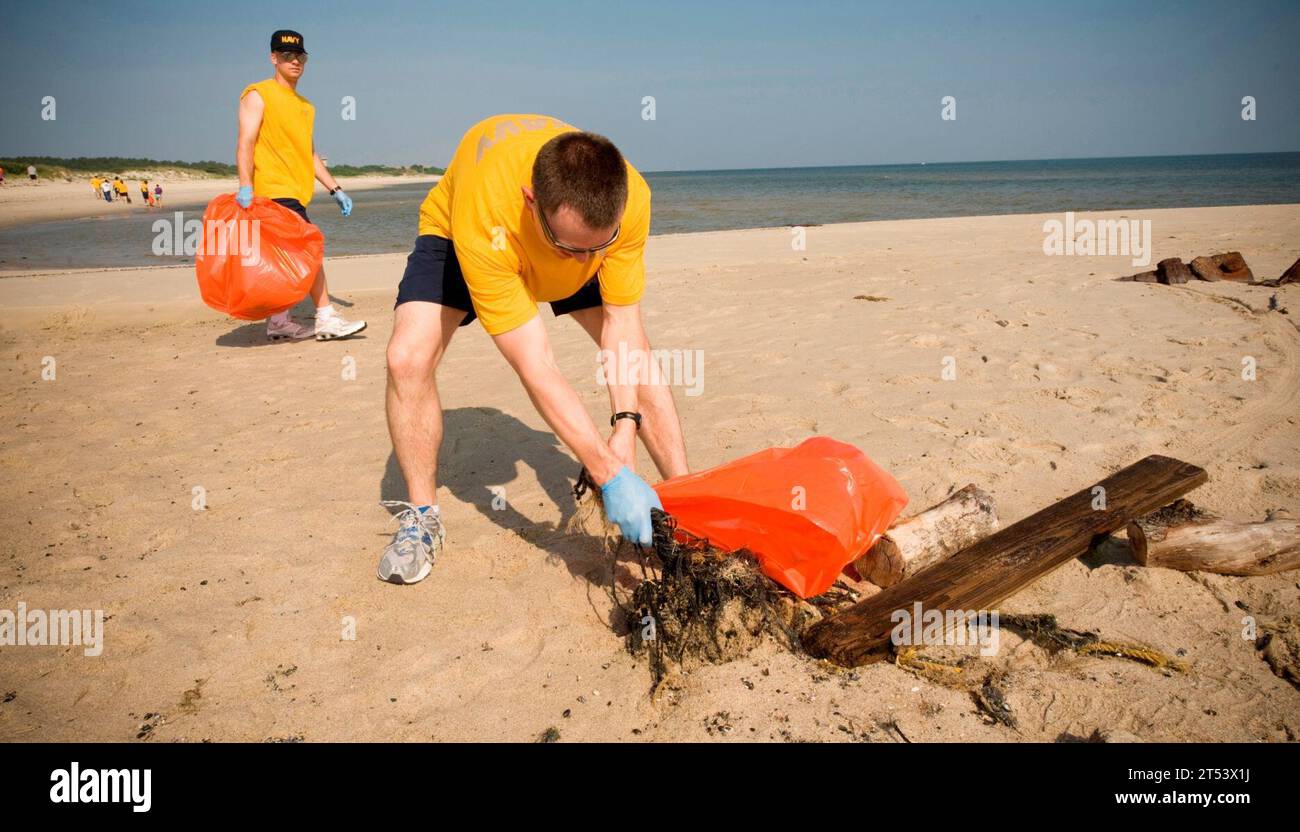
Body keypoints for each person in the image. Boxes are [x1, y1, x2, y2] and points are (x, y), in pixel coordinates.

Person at [378, 114, 689, 585]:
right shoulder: (487, 213)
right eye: (572, 249)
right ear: (531, 200)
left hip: (567, 229)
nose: (584, 263)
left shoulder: (630, 198)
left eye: (597, 248)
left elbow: (623, 325)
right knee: (407, 357)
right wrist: (610, 474)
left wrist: (624, 426)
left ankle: (687, 501)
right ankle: (422, 517)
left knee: (639, 360)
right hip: (473, 234)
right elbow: (536, 363)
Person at [236, 29, 364, 342]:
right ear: (273, 58)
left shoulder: (306, 106)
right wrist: (245, 186)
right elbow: (246, 142)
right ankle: (325, 317)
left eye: (299, 56)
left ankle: (279, 320)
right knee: (309, 250)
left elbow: (308, 153)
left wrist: (335, 189)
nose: (294, 61)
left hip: (296, 191)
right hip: (274, 190)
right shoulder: (258, 94)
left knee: (288, 257)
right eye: (286, 55)